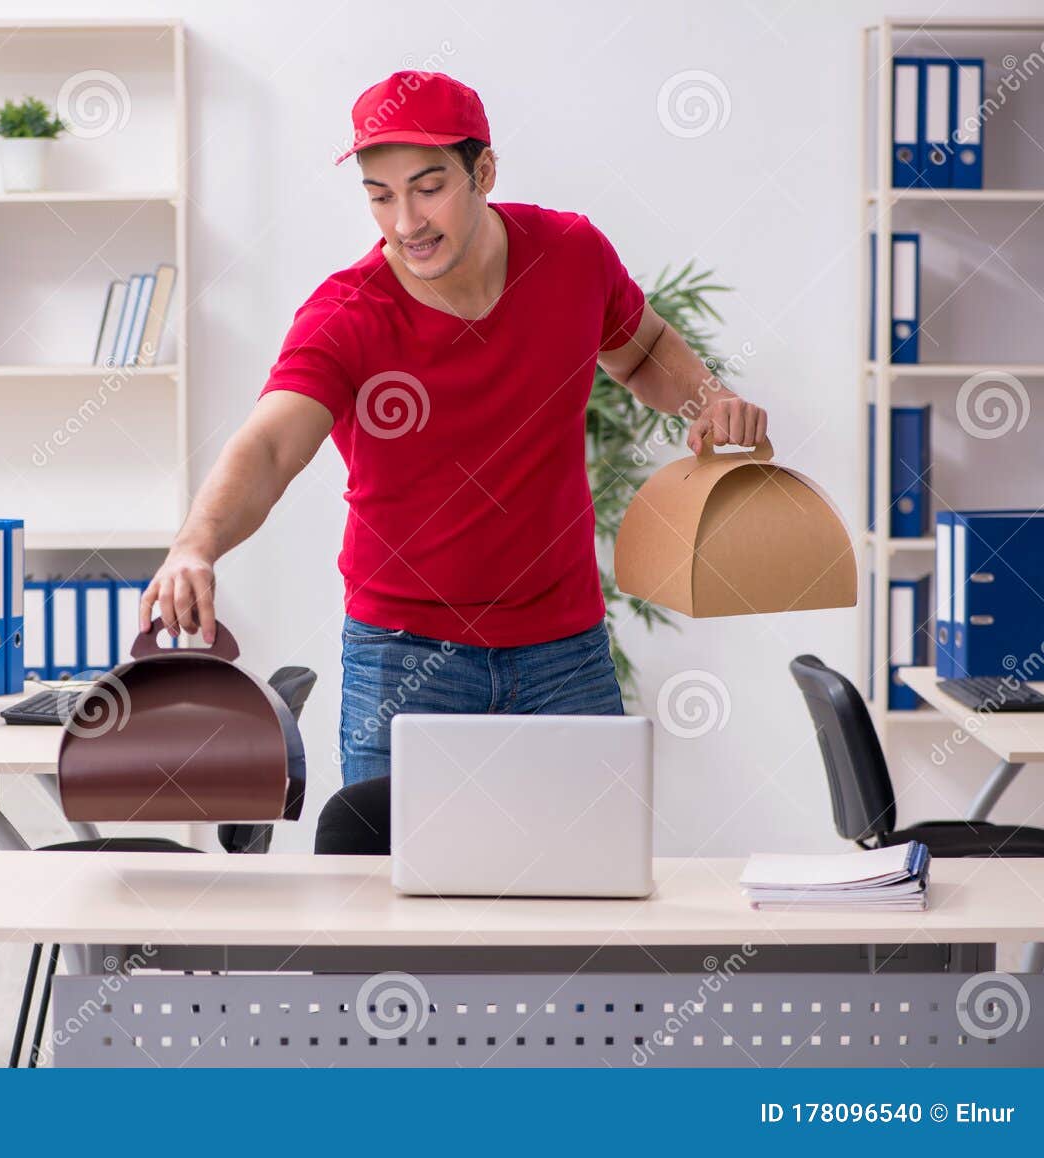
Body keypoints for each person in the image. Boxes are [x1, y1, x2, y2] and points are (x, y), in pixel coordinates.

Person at [139, 71, 768, 785]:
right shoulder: (347, 315)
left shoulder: (571, 254)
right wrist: (195, 545)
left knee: (589, 852)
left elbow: (642, 348)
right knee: (391, 859)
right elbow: (271, 445)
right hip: (403, 658)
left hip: (565, 650)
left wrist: (707, 399)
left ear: (484, 172)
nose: (406, 222)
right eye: (381, 196)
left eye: (428, 187)